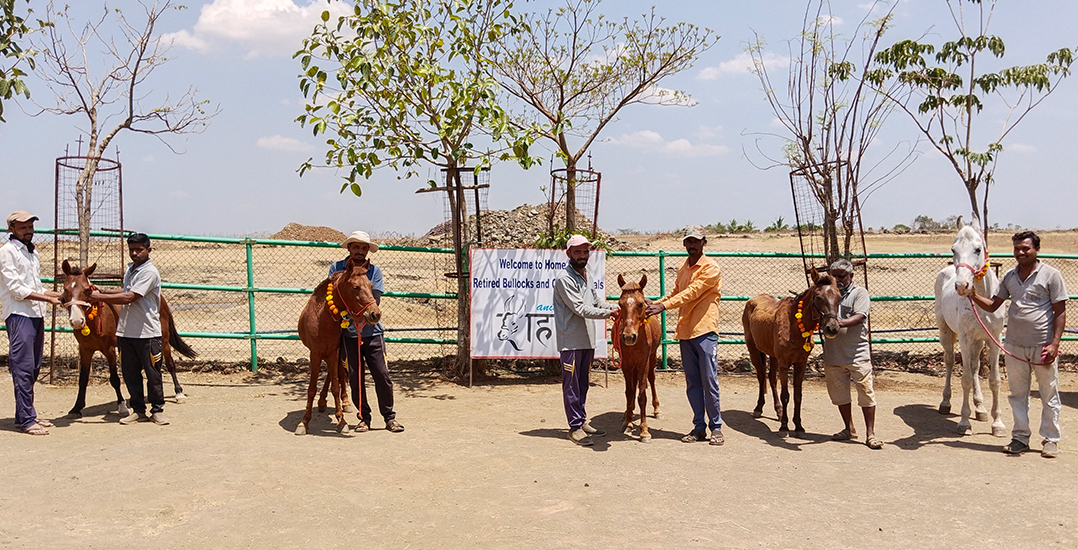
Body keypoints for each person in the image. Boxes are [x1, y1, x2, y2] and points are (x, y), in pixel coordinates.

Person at [969, 231, 1068, 458]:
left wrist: (1054, 344)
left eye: (1026, 248)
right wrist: (972, 295)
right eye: (1017, 249)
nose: (1021, 252)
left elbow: (1060, 311)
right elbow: (993, 305)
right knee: (1018, 394)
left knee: (1048, 394)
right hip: (1014, 346)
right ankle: (1020, 437)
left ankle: (1051, 439)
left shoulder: (1051, 275)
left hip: (1042, 346)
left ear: (1037, 249)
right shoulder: (1009, 277)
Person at [645, 226, 725, 446]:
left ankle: (716, 427)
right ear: (684, 244)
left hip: (705, 331)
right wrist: (656, 302)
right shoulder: (683, 268)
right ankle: (699, 427)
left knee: (709, 381)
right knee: (693, 383)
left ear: (704, 242)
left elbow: (692, 292)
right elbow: (676, 292)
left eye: (696, 241)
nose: (692, 245)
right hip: (686, 332)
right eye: (689, 241)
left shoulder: (711, 268)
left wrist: (663, 306)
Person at [90, 233, 169, 425]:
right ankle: (138, 410)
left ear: (149, 250)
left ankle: (157, 409)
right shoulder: (131, 269)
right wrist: (104, 291)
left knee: (152, 373)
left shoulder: (149, 273)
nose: (134, 253)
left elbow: (130, 297)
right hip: (126, 332)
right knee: (130, 373)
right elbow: (125, 291)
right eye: (131, 249)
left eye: (139, 250)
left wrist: (99, 297)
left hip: (147, 332)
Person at [330, 230, 403, 433]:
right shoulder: (336, 269)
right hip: (349, 334)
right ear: (349, 248)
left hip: (373, 333)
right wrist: (349, 315)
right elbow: (333, 297)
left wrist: (360, 315)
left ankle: (389, 417)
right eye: (356, 247)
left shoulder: (374, 272)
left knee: (382, 374)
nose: (360, 251)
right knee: (356, 377)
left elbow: (375, 299)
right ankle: (364, 418)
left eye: (364, 248)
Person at [553, 234, 618, 446]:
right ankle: (574, 427)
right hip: (571, 342)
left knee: (582, 384)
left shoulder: (585, 274)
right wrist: (609, 314)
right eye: (577, 252)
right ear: (568, 253)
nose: (582, 255)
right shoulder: (564, 278)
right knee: (572, 385)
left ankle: (580, 421)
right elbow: (580, 308)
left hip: (587, 340)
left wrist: (617, 308)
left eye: (585, 251)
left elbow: (596, 301)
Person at [1, 210, 63, 435]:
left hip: (35, 314)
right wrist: (48, 299)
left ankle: (24, 415)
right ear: (11, 229)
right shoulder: (7, 252)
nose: (28, 231)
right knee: (23, 366)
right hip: (19, 314)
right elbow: (17, 290)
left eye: (30, 227)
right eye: (23, 227)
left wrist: (58, 295)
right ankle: (27, 419)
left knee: (35, 366)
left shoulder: (31, 252)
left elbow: (35, 287)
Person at [821, 259, 881, 450]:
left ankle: (870, 434)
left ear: (851, 276)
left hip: (857, 354)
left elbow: (860, 316)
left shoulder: (859, 293)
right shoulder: (827, 294)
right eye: (834, 276)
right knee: (839, 394)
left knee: (865, 392)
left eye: (842, 276)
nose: (838, 280)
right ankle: (848, 428)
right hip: (834, 354)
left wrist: (837, 323)